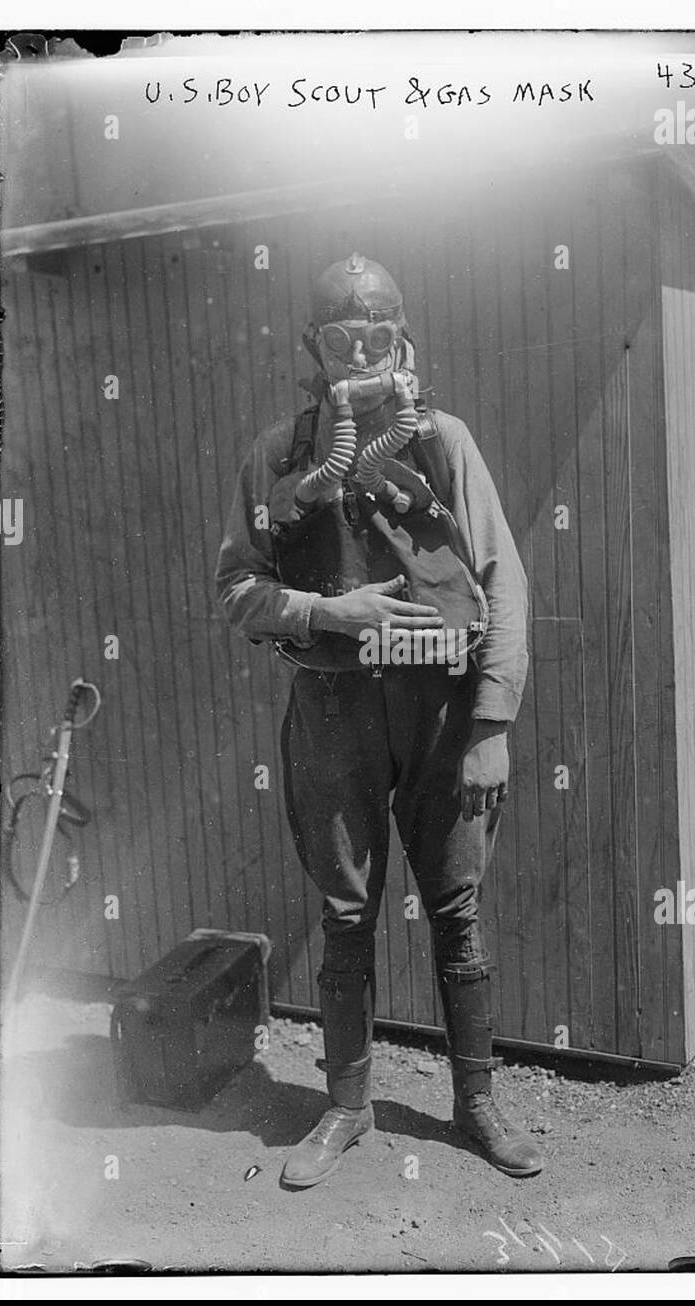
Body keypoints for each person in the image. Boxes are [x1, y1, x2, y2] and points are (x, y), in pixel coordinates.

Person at [215, 252, 542, 1186]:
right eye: (338, 336)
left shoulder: (441, 440)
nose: (358, 349)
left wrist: (490, 723)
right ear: (309, 348)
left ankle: (476, 1103)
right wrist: (328, 612)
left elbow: (499, 577)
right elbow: (239, 589)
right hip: (331, 706)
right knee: (345, 909)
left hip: (438, 704)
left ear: (403, 340)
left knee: (457, 907)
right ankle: (346, 1105)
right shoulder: (279, 456)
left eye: (377, 334)